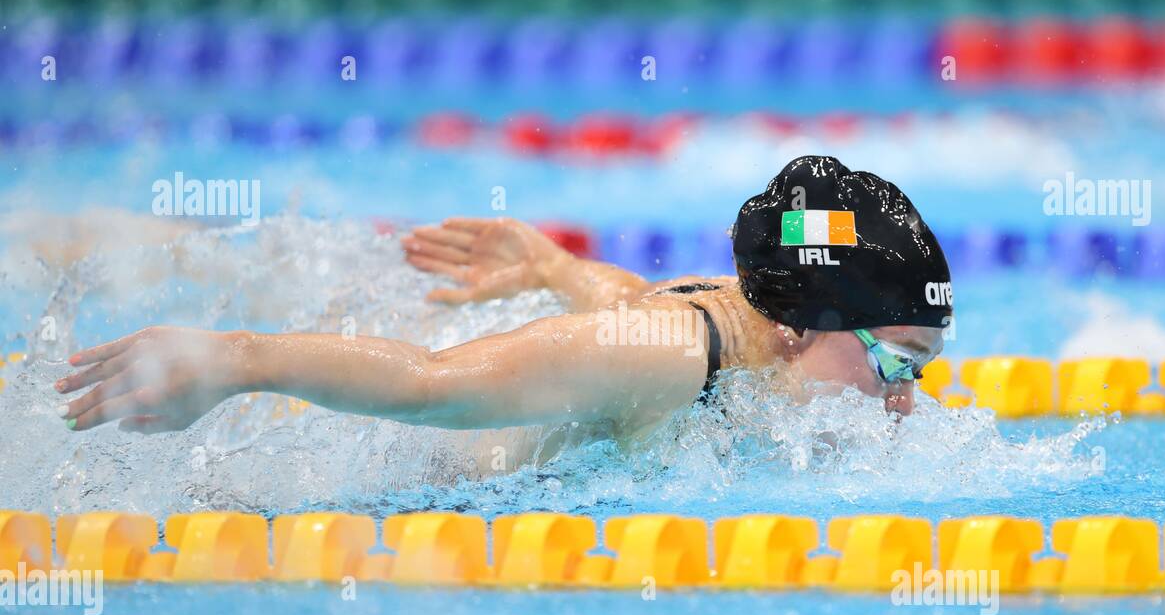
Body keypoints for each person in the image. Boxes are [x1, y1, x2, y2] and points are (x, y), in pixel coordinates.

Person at [54, 156, 953, 440]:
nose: (904, 399)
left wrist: (557, 268)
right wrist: (231, 362)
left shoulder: (747, 325)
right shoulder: (671, 353)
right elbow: (429, 384)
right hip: (396, 478)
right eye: (894, 361)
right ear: (802, 328)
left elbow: (635, 304)